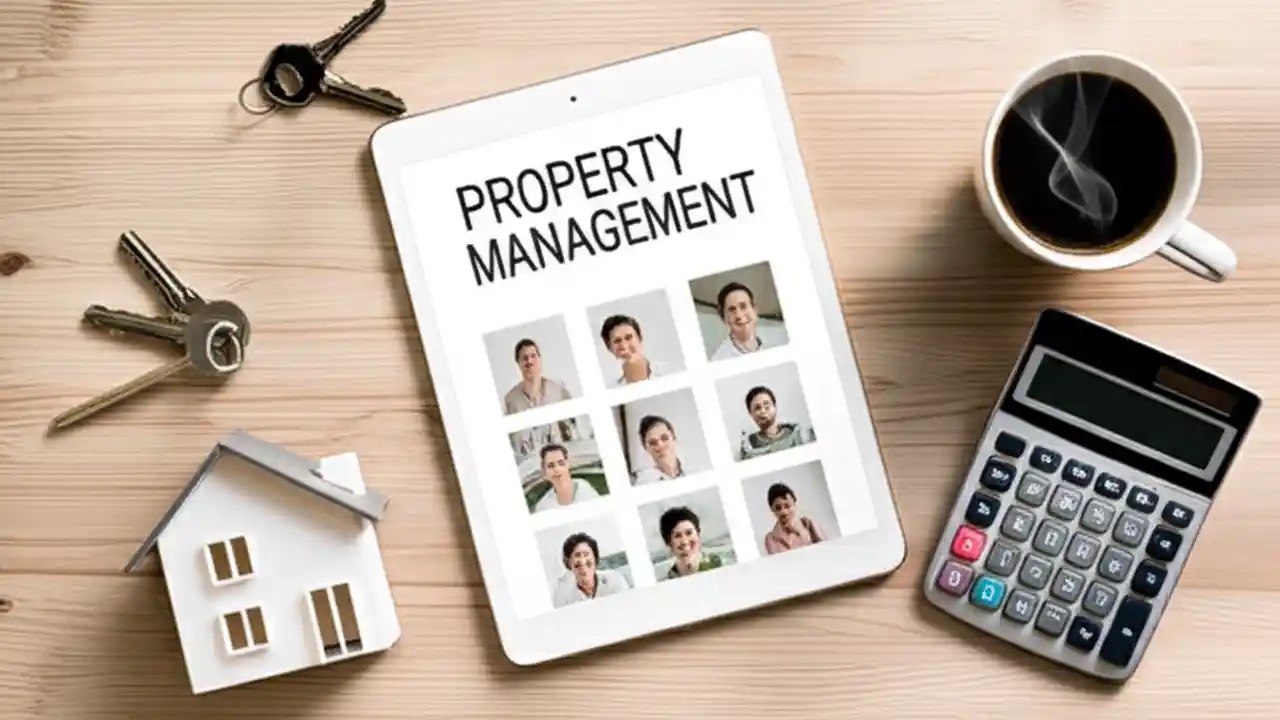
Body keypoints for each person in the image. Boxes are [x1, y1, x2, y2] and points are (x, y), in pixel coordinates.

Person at [552, 532, 630, 607]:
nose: (582, 561)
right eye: (577, 555)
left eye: (586, 554)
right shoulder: (564, 597)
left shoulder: (615, 580)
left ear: (595, 558)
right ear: (568, 562)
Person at [738, 385, 816, 460]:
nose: (763, 411)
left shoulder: (800, 434)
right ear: (751, 414)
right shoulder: (749, 445)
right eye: (757, 408)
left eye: (767, 405)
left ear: (775, 407)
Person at [503, 338, 572, 415]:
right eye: (525, 358)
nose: (529, 361)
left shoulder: (559, 392)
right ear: (518, 363)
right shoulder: (510, 400)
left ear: (540, 359)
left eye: (533, 356)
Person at [600, 314, 671, 386]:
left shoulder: (669, 372)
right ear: (609, 347)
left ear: (640, 338)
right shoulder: (611, 388)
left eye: (628, 338)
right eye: (617, 341)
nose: (624, 345)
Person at [658, 506, 723, 580]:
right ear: (668, 542)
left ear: (698, 534)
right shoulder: (669, 580)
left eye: (689, 533)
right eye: (677, 536)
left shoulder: (719, 563)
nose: (684, 541)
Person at [762, 482, 827, 555]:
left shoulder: (811, 525)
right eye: (778, 508)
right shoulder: (770, 539)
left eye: (787, 506)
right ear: (772, 510)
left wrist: (801, 532)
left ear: (794, 505)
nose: (784, 512)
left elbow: (826, 552)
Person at [532, 444, 599, 513]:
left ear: (568, 464)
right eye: (551, 466)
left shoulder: (585, 490)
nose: (557, 469)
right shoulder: (543, 507)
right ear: (544, 471)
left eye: (561, 463)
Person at [710, 281, 766, 360]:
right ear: (724, 318)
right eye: (732, 309)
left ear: (755, 310)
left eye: (743, 306)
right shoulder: (719, 359)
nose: (739, 315)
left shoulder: (775, 346)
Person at [631, 415, 687, 485]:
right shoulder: (642, 483)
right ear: (645, 448)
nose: (660, 445)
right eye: (653, 443)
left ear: (674, 438)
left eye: (664, 438)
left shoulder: (696, 471)